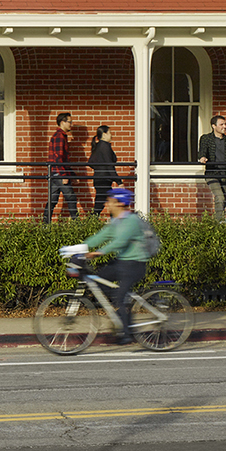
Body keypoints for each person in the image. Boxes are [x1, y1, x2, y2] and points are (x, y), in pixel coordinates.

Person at [84, 186, 148, 345]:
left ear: (120, 203)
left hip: (135, 264)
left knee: (119, 297)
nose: (107, 204)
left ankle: (126, 334)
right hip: (122, 262)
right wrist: (81, 247)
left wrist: (98, 253)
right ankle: (124, 310)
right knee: (98, 279)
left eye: (110, 201)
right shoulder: (116, 221)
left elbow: (120, 242)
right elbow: (101, 236)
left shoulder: (132, 221)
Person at [45, 112, 79, 222]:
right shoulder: (60, 136)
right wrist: (64, 175)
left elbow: (63, 160)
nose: (71, 124)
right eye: (69, 122)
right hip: (59, 173)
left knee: (52, 200)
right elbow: (59, 158)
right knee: (71, 198)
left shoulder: (59, 136)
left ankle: (45, 225)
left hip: (55, 173)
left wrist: (72, 175)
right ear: (62, 122)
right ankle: (77, 225)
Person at [88, 125, 123, 211]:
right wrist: (119, 181)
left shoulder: (99, 146)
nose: (111, 135)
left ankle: (92, 221)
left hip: (100, 179)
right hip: (103, 180)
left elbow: (91, 162)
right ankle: (114, 221)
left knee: (102, 203)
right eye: (110, 133)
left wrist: (99, 168)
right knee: (107, 203)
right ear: (104, 134)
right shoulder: (105, 147)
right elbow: (109, 165)